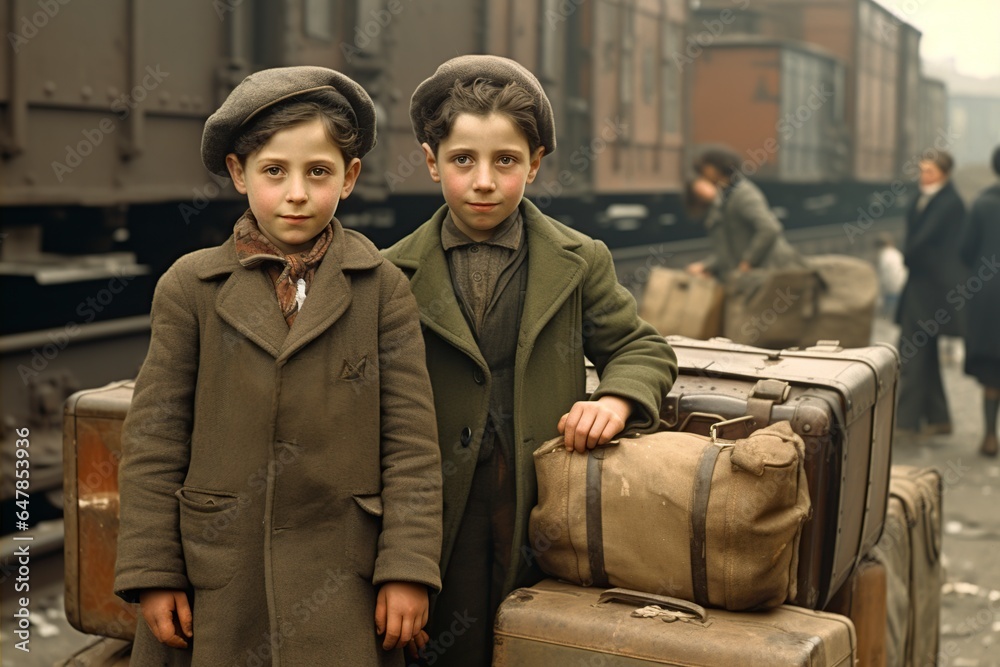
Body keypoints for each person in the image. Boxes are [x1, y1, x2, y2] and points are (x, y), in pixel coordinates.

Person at [114, 66, 443, 666]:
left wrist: (408, 567)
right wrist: (153, 570)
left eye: (318, 172)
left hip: (345, 581)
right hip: (216, 577)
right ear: (239, 173)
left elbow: (412, 445)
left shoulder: (382, 290)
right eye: (274, 171)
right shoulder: (191, 287)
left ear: (349, 178)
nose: (297, 192)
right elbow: (155, 441)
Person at [382, 55, 678, 666]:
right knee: (444, 645)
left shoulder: (578, 260)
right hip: (436, 515)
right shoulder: (389, 273)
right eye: (463, 160)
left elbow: (640, 347)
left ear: (535, 164)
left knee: (536, 639)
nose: (484, 180)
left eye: (506, 161)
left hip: (541, 508)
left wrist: (616, 400)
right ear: (432, 161)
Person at [895, 150, 966, 439]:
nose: (924, 176)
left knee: (910, 352)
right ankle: (939, 419)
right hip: (922, 286)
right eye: (922, 170)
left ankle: (906, 421)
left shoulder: (950, 204)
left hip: (933, 290)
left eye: (930, 172)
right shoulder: (925, 199)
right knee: (924, 352)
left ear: (944, 174)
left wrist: (909, 256)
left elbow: (925, 245)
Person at [686, 147, 806, 278]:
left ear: (716, 167)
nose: (702, 172)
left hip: (775, 271)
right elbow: (726, 251)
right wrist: (706, 266)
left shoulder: (744, 194)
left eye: (706, 166)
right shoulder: (724, 198)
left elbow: (769, 228)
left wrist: (748, 261)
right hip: (758, 275)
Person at [959, 145, 1000, 457]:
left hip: (989, 294)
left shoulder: (982, 203)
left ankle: (989, 436)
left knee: (992, 371)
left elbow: (965, 251)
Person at [875, 233, 907, 319]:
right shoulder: (896, 253)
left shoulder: (885, 256)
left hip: (892, 289)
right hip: (901, 286)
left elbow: (885, 276)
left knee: (889, 315)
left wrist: (882, 292)